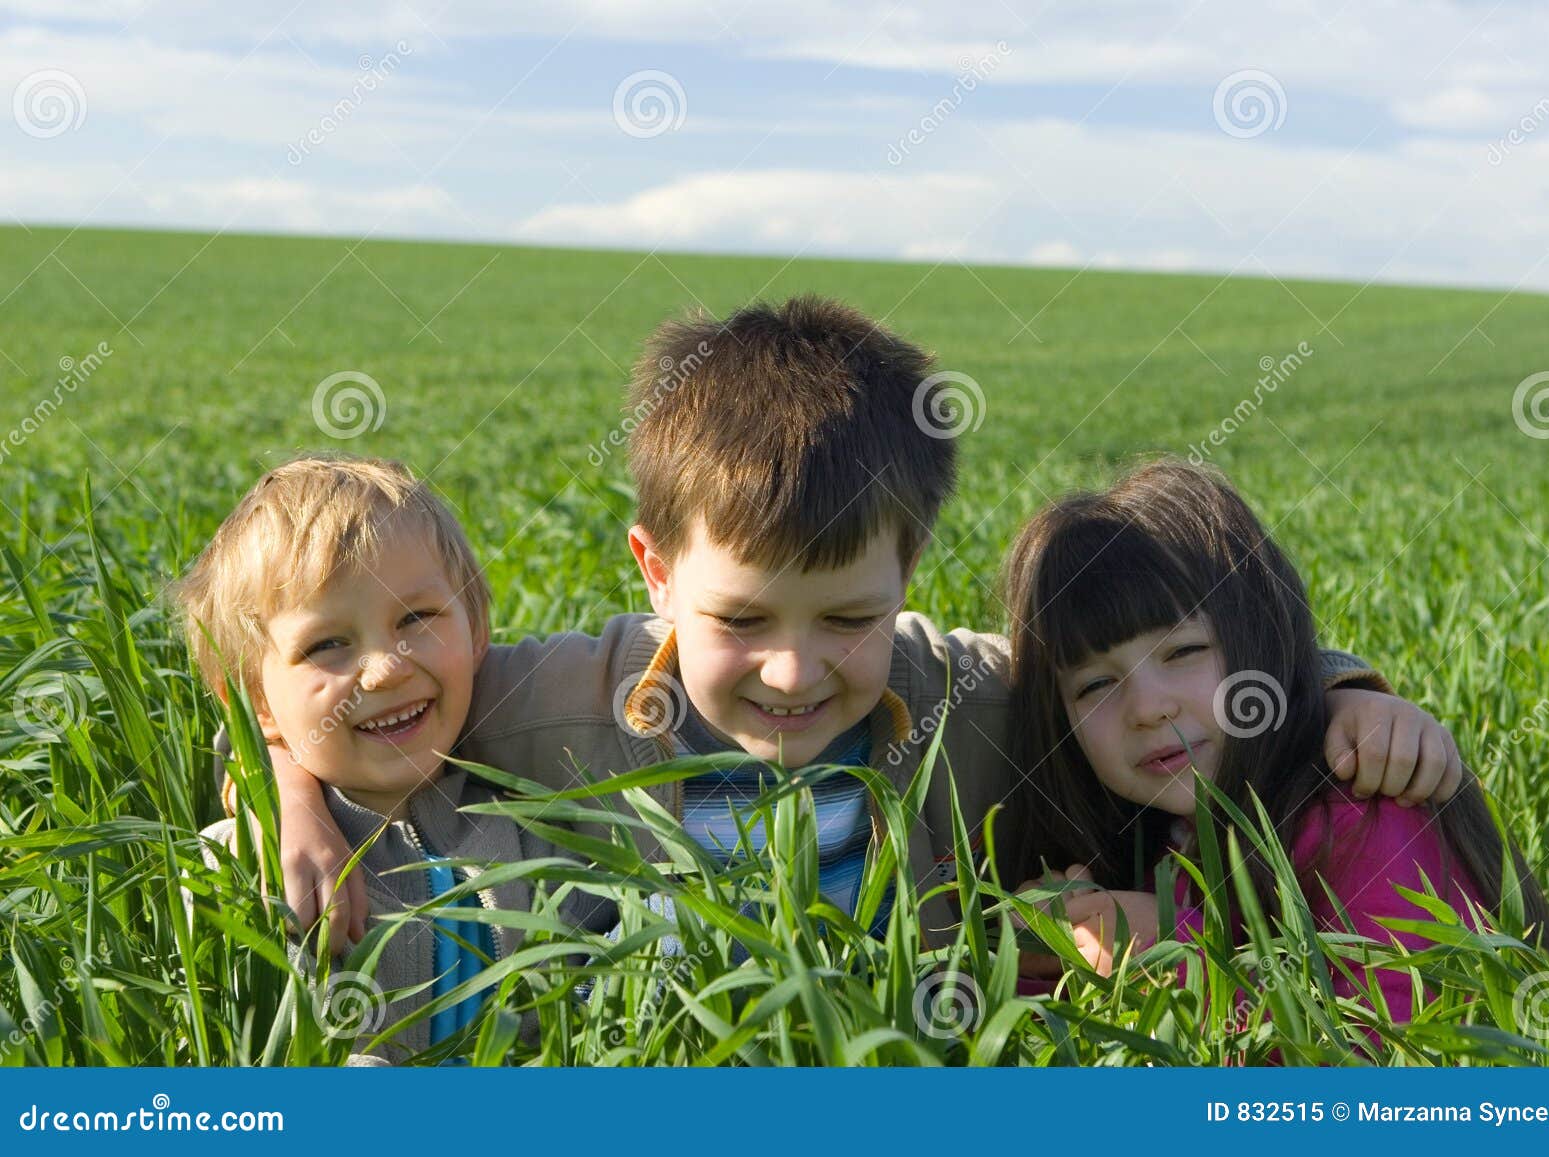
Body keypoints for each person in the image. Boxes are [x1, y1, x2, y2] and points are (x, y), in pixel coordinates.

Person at [249, 298, 1467, 957]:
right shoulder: (565, 696)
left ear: (909, 572)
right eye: (740, 618)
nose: (793, 668)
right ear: (655, 573)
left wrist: (1347, 688)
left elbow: (1150, 673)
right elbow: (362, 696)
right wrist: (289, 787)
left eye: (846, 616)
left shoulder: (960, 694)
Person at [1002, 458, 1549, 1021]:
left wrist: (1171, 958)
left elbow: (1388, 1070)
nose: (1147, 708)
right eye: (1096, 684)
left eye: (1183, 651)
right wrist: (1041, 959)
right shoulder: (1165, 844)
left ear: (1263, 636)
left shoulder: (1362, 821)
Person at [176, 454, 609, 1062]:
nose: (386, 669)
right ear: (257, 703)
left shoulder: (543, 825)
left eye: (418, 618)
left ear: (476, 626)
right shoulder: (245, 867)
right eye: (327, 645)